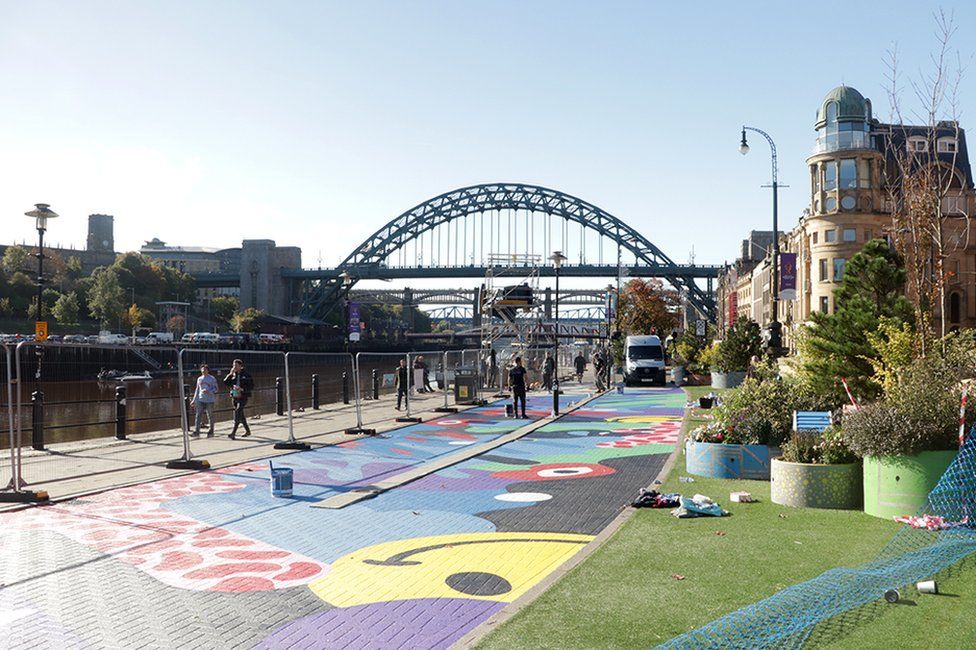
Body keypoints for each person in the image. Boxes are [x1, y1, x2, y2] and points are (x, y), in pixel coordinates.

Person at [223, 359, 253, 439]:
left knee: (238, 412)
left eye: (236, 365)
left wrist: (242, 389)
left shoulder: (246, 375)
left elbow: (251, 386)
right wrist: (230, 374)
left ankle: (233, 433)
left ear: (240, 366)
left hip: (243, 396)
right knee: (240, 414)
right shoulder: (233, 375)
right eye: (233, 365)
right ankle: (248, 431)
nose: (234, 367)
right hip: (235, 395)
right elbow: (225, 382)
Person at [191, 364, 218, 437]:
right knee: (198, 415)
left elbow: (216, 389)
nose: (203, 371)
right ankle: (197, 431)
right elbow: (197, 389)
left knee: (210, 416)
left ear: (208, 371)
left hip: (209, 400)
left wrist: (208, 391)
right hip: (201, 399)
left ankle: (211, 431)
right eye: (202, 370)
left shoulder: (212, 379)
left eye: (205, 370)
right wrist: (194, 400)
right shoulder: (199, 379)